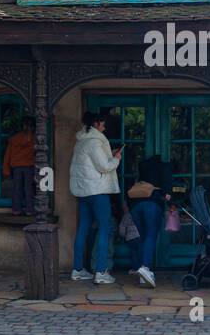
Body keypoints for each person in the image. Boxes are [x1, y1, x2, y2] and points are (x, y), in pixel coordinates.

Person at [70, 110, 121, 284]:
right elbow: (104, 167)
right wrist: (116, 159)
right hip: (97, 191)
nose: (105, 127)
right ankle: (101, 271)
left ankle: (77, 269)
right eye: (103, 123)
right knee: (105, 228)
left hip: (83, 191)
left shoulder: (80, 142)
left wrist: (109, 156)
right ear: (96, 124)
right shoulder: (94, 142)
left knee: (83, 228)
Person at [129, 153, 174, 289]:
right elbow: (167, 194)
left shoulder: (143, 167)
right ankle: (145, 267)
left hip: (136, 205)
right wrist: (171, 201)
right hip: (152, 205)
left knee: (143, 237)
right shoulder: (164, 168)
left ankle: (143, 273)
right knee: (151, 235)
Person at [2, 116, 37, 216]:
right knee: (29, 189)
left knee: (17, 188)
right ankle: (30, 210)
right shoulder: (35, 139)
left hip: (16, 167)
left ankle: (16, 209)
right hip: (29, 167)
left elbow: (8, 155)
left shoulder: (14, 139)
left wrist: (6, 170)